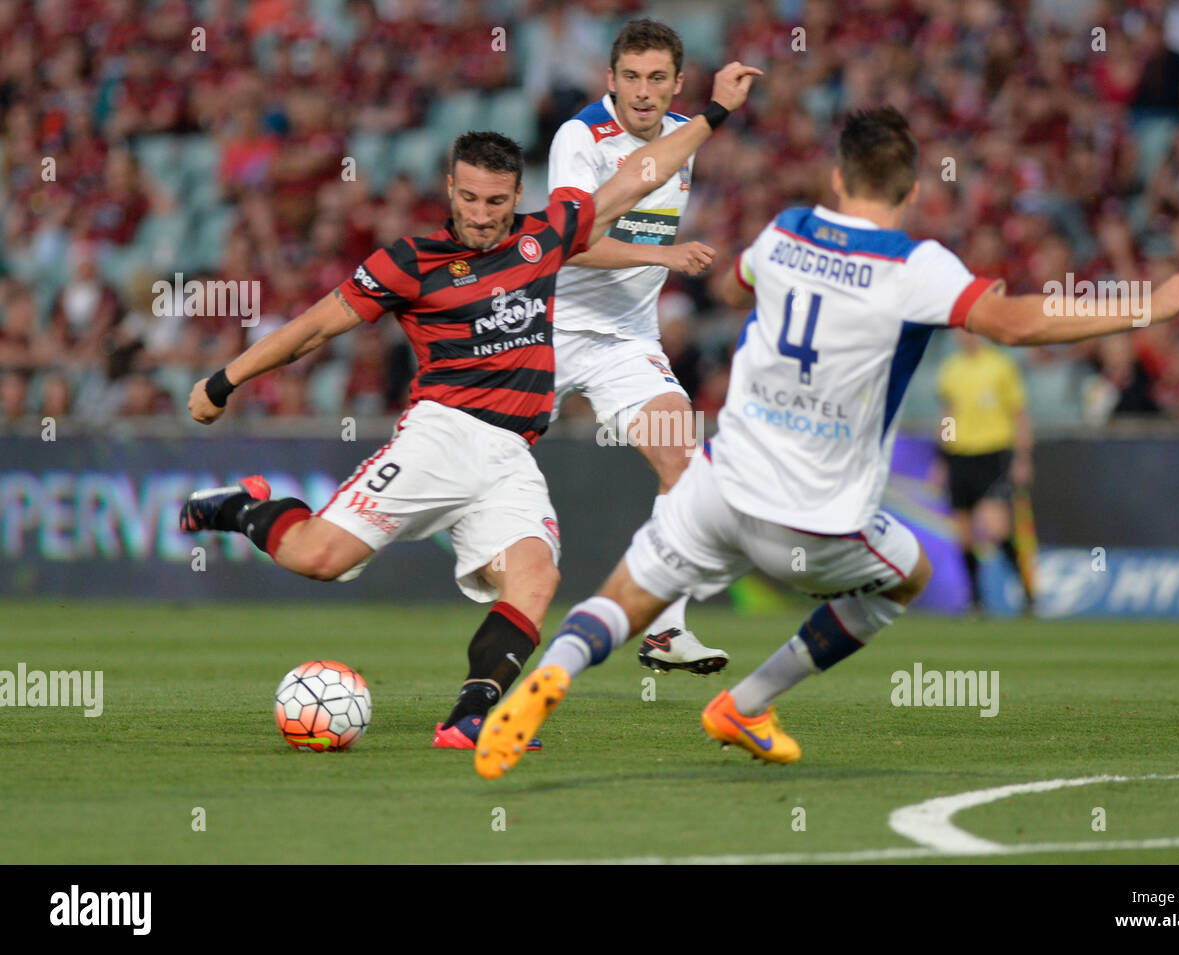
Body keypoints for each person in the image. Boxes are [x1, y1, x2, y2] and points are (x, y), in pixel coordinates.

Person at [474, 107, 1179, 778]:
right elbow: (1020, 324)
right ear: (912, 193)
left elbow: (735, 286)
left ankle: (557, 671)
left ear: (835, 177)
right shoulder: (915, 266)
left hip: (719, 481)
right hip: (813, 516)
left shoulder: (786, 231)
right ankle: (747, 702)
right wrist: (1147, 304)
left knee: (625, 598)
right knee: (906, 575)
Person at [177, 61, 762, 752]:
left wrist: (713, 115)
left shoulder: (545, 237)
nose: (482, 216)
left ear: (519, 194)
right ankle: (237, 504)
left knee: (537, 578)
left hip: (513, 452)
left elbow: (639, 175)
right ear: (450, 189)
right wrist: (224, 380)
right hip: (441, 437)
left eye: (496, 202)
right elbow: (314, 326)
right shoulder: (412, 260)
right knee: (317, 558)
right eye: (470, 200)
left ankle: (470, 717)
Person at [547, 18, 728, 675]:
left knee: (685, 461)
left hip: (626, 340)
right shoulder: (580, 136)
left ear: (677, 84)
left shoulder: (685, 138)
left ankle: (664, 630)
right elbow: (573, 240)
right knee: (470, 454)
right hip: (548, 327)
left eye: (657, 79)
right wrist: (667, 253)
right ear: (610, 80)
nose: (643, 92)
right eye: (631, 77)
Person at [935, 329, 1035, 612]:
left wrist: (1022, 458)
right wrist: (943, 455)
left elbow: (1019, 413)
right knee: (964, 534)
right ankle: (976, 600)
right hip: (959, 456)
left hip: (993, 454)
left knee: (996, 528)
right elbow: (948, 414)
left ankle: (1027, 594)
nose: (964, 336)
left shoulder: (1001, 365)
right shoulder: (951, 368)